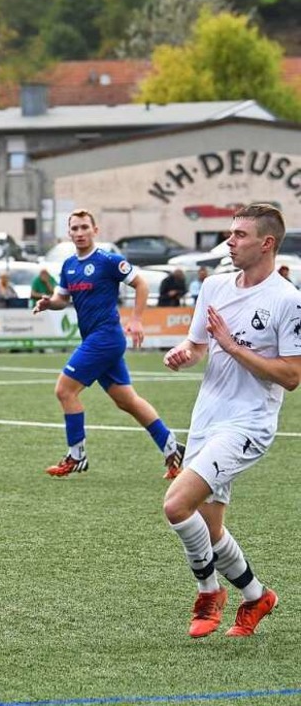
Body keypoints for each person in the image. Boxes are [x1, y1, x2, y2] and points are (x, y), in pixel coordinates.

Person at [162, 203, 301, 638]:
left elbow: (292, 375)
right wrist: (186, 352)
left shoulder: (288, 301)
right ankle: (258, 597)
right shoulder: (215, 287)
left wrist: (234, 346)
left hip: (248, 424)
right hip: (206, 417)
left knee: (176, 505)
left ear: (267, 243)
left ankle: (209, 593)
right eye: (230, 232)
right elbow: (200, 344)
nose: (229, 241)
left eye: (239, 234)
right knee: (210, 526)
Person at [32, 209, 184, 479]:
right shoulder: (68, 266)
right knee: (127, 401)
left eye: (84, 228)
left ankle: (76, 456)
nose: (79, 233)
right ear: (69, 233)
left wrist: (137, 320)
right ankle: (171, 446)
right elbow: (61, 299)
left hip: (106, 337)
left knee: (65, 391)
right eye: (75, 228)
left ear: (95, 230)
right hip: (95, 339)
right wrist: (48, 304)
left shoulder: (108, 261)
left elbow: (141, 285)